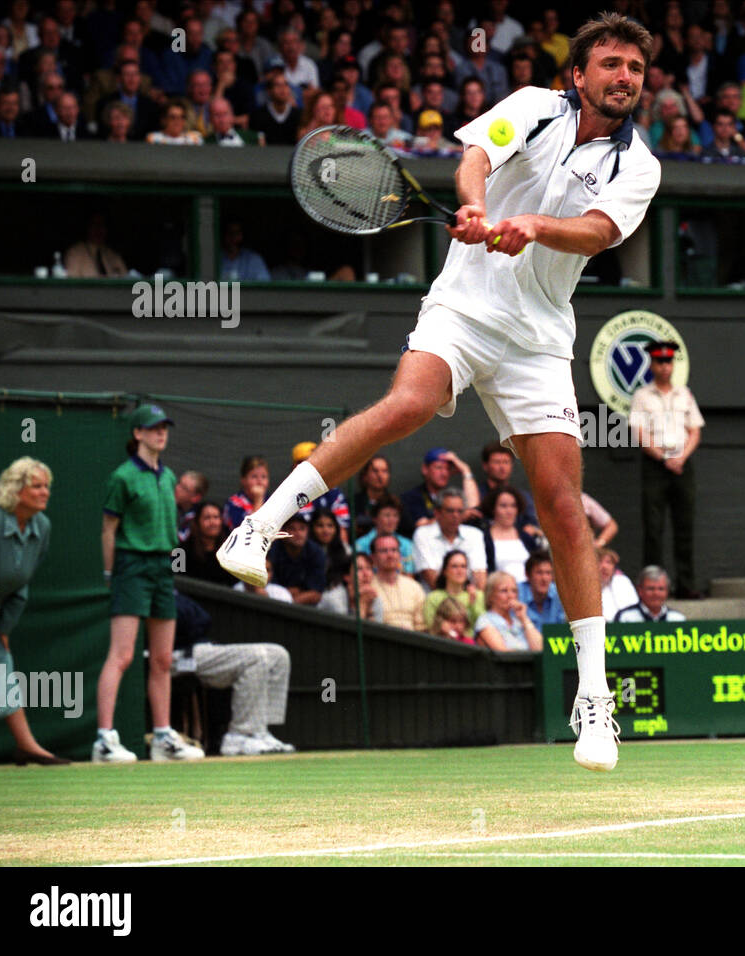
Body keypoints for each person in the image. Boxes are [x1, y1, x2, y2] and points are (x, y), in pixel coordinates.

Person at [217, 12, 659, 773]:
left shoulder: (639, 165)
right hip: (464, 308)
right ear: (579, 74)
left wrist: (533, 227)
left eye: (635, 68)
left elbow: (594, 232)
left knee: (560, 506)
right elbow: (473, 163)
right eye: (611, 63)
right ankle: (258, 527)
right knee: (408, 407)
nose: (625, 77)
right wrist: (481, 208)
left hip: (539, 341)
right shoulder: (529, 104)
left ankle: (594, 700)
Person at [95, 404, 203, 763]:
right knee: (123, 655)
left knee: (161, 659)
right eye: (153, 428)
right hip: (131, 566)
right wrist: (112, 574)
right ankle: (104, 739)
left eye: (164, 428)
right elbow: (108, 530)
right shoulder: (122, 477)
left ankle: (161, 738)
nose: (161, 433)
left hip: (161, 569)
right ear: (137, 434)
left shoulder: (169, 476)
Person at [0, 457, 67, 764]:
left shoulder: (41, 527)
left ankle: (27, 746)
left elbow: (21, 581)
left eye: (47, 486)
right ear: (15, 490)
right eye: (37, 486)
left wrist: (3, 627)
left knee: (2, 669)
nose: (45, 492)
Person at [172, 590, 294, 755]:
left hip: (199, 648)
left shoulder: (171, 590)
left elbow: (201, 620)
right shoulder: (147, 588)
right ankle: (240, 735)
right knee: (255, 657)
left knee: (278, 655)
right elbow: (192, 620)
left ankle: (260, 730)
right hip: (177, 654)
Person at [630, 339, 704, 600]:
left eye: (669, 361)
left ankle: (686, 583)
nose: (665, 366)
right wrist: (663, 459)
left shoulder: (684, 394)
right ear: (652, 364)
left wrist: (680, 458)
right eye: (660, 361)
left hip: (683, 464)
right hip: (655, 465)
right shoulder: (642, 396)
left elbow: (695, 430)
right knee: (653, 527)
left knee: (685, 525)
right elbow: (639, 433)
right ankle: (653, 588)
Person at [412, 490, 487, 590]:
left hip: (470, 599)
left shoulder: (475, 535)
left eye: (460, 511)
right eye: (450, 511)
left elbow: (480, 577)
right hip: (435, 600)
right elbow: (431, 577)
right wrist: (455, 602)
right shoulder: (423, 534)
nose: (455, 516)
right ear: (437, 513)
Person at [401, 446, 480, 529]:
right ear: (425, 469)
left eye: (447, 469)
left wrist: (465, 470)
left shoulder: (453, 495)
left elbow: (473, 508)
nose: (444, 473)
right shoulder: (412, 497)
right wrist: (459, 517)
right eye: (439, 467)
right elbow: (422, 527)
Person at [266, 513, 326, 605]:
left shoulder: (316, 552)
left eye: (302, 528)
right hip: (272, 600)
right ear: (282, 531)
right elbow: (268, 586)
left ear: (308, 531)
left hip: (304, 606)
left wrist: (288, 603)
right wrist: (285, 594)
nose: (298, 533)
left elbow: (315, 593)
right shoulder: (271, 549)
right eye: (292, 529)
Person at [481, 485, 539, 580]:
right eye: (503, 506)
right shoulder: (484, 539)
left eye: (513, 506)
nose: (509, 511)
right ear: (493, 508)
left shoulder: (526, 538)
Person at [474, 571, 543, 651]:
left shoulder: (518, 621)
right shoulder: (485, 621)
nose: (510, 596)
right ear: (490, 595)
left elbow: (540, 649)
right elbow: (504, 654)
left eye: (514, 591)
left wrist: (524, 618)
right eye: (504, 591)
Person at [369, 533, 425, 630]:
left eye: (394, 550)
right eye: (383, 551)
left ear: (400, 555)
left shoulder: (414, 586)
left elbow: (422, 626)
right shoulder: (369, 586)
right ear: (373, 557)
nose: (390, 555)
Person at [352, 495, 417, 575]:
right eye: (387, 515)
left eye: (395, 515)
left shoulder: (407, 544)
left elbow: (410, 575)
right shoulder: (360, 545)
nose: (392, 520)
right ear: (375, 518)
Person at [422, 549, 485, 628]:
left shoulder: (478, 595)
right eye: (454, 566)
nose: (460, 571)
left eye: (463, 566)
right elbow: (432, 627)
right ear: (445, 571)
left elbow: (483, 627)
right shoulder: (433, 598)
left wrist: (473, 606)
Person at [180, 501, 236, 586]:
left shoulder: (230, 552)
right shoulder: (180, 551)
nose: (212, 522)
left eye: (216, 517)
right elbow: (175, 580)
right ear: (197, 522)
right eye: (207, 518)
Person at [318, 551, 384, 622]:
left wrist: (369, 612)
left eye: (369, 568)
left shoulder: (373, 598)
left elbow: (374, 631)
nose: (366, 574)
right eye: (359, 569)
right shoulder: (334, 598)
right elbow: (347, 630)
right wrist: (362, 605)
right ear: (347, 577)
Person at [613, 566, 686, 623]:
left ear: (667, 592)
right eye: (651, 589)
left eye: (661, 589)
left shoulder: (677, 618)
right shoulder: (625, 617)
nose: (656, 593)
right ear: (640, 591)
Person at [517, 549, 564, 627]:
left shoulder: (558, 594)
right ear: (527, 575)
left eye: (548, 573)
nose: (544, 578)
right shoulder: (516, 593)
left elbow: (561, 631)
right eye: (539, 572)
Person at [308, 506, 349, 588]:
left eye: (330, 526)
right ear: (312, 528)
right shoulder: (305, 550)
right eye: (320, 525)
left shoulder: (345, 549)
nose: (325, 530)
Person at [597, 546, 638, 620]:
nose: (604, 566)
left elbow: (633, 609)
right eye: (600, 561)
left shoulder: (622, 581)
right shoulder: (585, 586)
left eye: (609, 562)